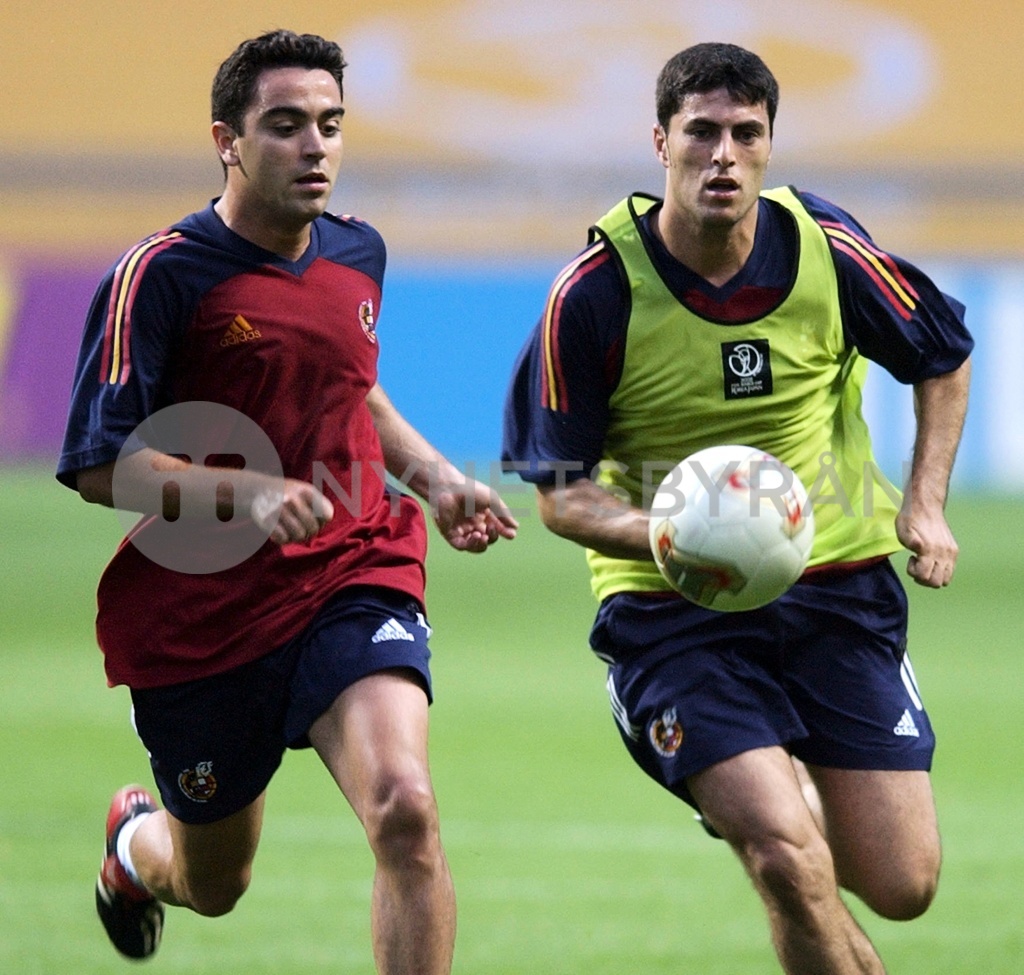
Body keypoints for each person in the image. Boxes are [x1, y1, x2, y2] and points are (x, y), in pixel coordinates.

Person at [502, 42, 972, 974]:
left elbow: (944, 354)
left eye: (744, 134)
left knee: (903, 882)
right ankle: (763, 797)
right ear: (661, 142)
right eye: (702, 132)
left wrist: (926, 504)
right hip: (671, 615)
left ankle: (776, 784)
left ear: (768, 145)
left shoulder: (826, 254)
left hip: (835, 589)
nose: (723, 153)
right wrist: (679, 536)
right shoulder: (593, 295)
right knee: (787, 857)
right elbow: (560, 493)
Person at [57, 29, 517, 972]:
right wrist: (248, 494)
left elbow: (354, 387)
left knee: (406, 807)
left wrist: (434, 479)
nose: (315, 146)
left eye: (330, 124)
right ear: (227, 138)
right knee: (213, 885)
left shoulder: (359, 254)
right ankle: (135, 851)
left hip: (355, 564)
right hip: (205, 613)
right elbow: (100, 467)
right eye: (286, 126)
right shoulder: (161, 276)